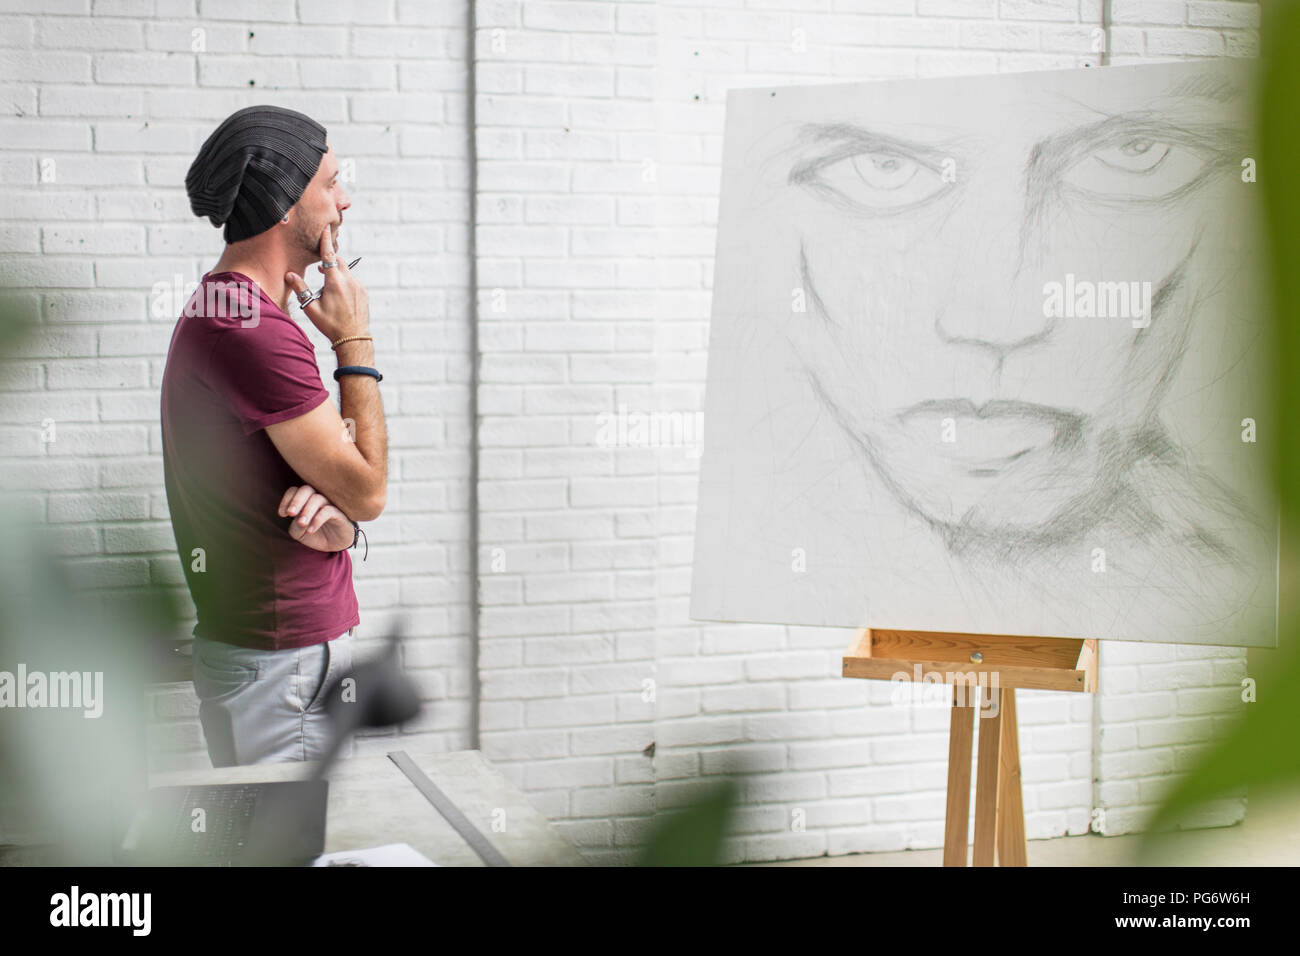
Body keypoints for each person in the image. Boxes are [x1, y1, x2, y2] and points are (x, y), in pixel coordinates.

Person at [160, 105, 388, 766]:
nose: (344, 199)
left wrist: (340, 515)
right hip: (280, 664)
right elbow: (368, 489)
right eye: (331, 182)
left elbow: (340, 498)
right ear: (286, 204)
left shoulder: (228, 308)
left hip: (274, 657)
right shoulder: (250, 329)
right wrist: (353, 341)